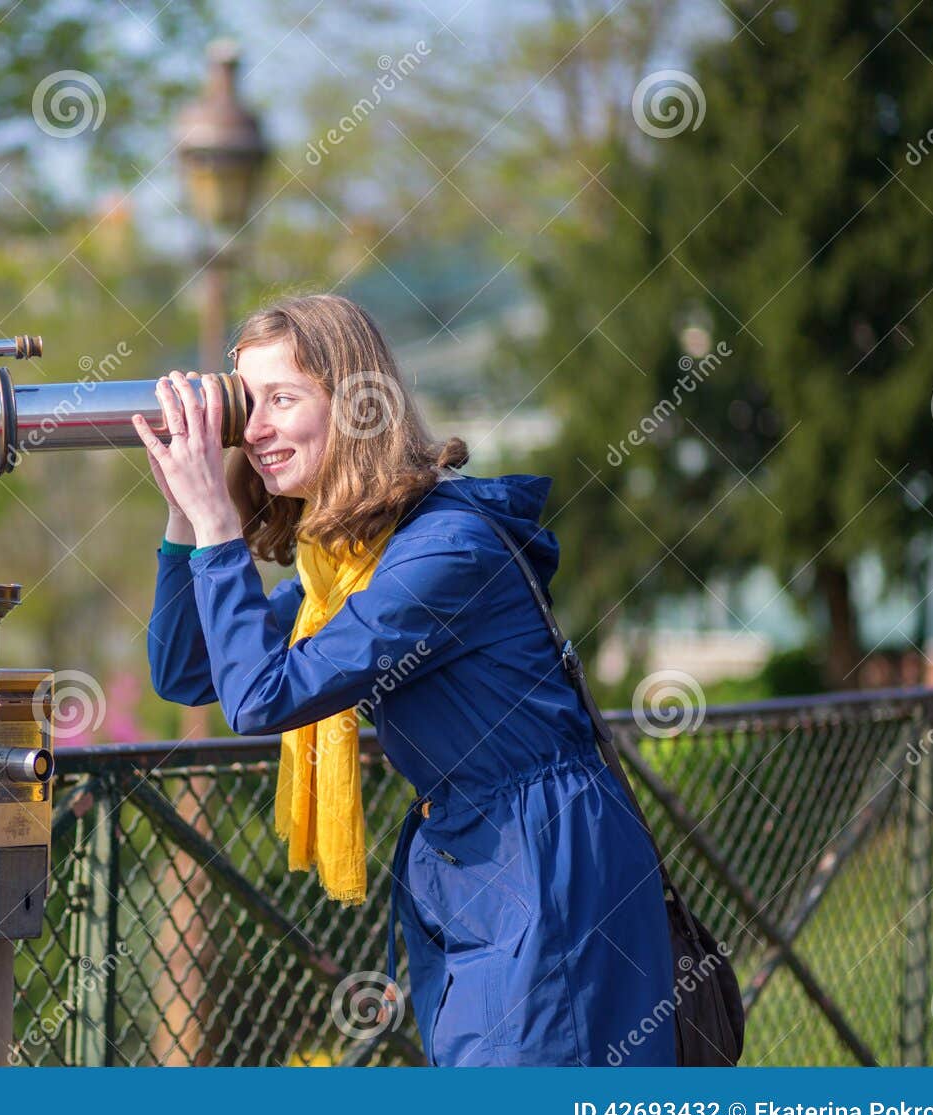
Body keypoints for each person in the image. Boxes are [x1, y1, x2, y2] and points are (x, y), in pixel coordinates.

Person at [133, 292, 676, 1067]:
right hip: (472, 857)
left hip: (544, 856)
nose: (252, 431)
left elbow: (264, 698)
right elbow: (189, 672)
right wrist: (183, 521)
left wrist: (220, 523)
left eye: (281, 399)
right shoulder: (349, 564)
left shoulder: (444, 550)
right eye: (246, 404)